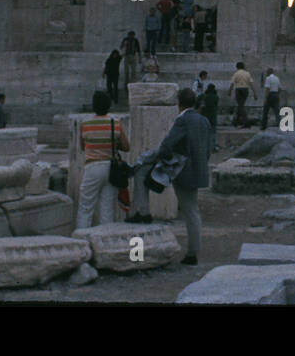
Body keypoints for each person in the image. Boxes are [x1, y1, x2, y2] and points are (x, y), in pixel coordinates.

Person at [127, 88, 211, 265]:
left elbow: (167, 145)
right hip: (198, 169)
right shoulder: (204, 121)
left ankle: (144, 212)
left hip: (182, 169)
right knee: (191, 209)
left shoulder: (182, 120)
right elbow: (209, 148)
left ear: (178, 103)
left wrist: (164, 159)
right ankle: (193, 251)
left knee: (142, 170)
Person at [76, 90, 130, 230]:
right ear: (109, 105)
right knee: (107, 210)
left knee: (85, 208)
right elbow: (126, 146)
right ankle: (105, 241)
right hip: (111, 168)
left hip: (92, 167)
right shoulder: (115, 123)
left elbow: (83, 146)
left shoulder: (85, 124)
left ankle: (82, 240)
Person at [229, 61, 257, 127]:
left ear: (237, 67)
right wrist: (255, 93)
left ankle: (246, 122)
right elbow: (251, 83)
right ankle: (236, 122)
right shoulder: (247, 73)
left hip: (238, 90)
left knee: (241, 106)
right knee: (240, 105)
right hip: (245, 90)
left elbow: (232, 83)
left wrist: (229, 91)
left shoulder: (236, 74)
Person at [200, 83, 220, 152]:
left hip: (204, 117)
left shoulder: (203, 96)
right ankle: (213, 147)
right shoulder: (216, 97)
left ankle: (204, 147)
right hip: (213, 117)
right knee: (213, 133)